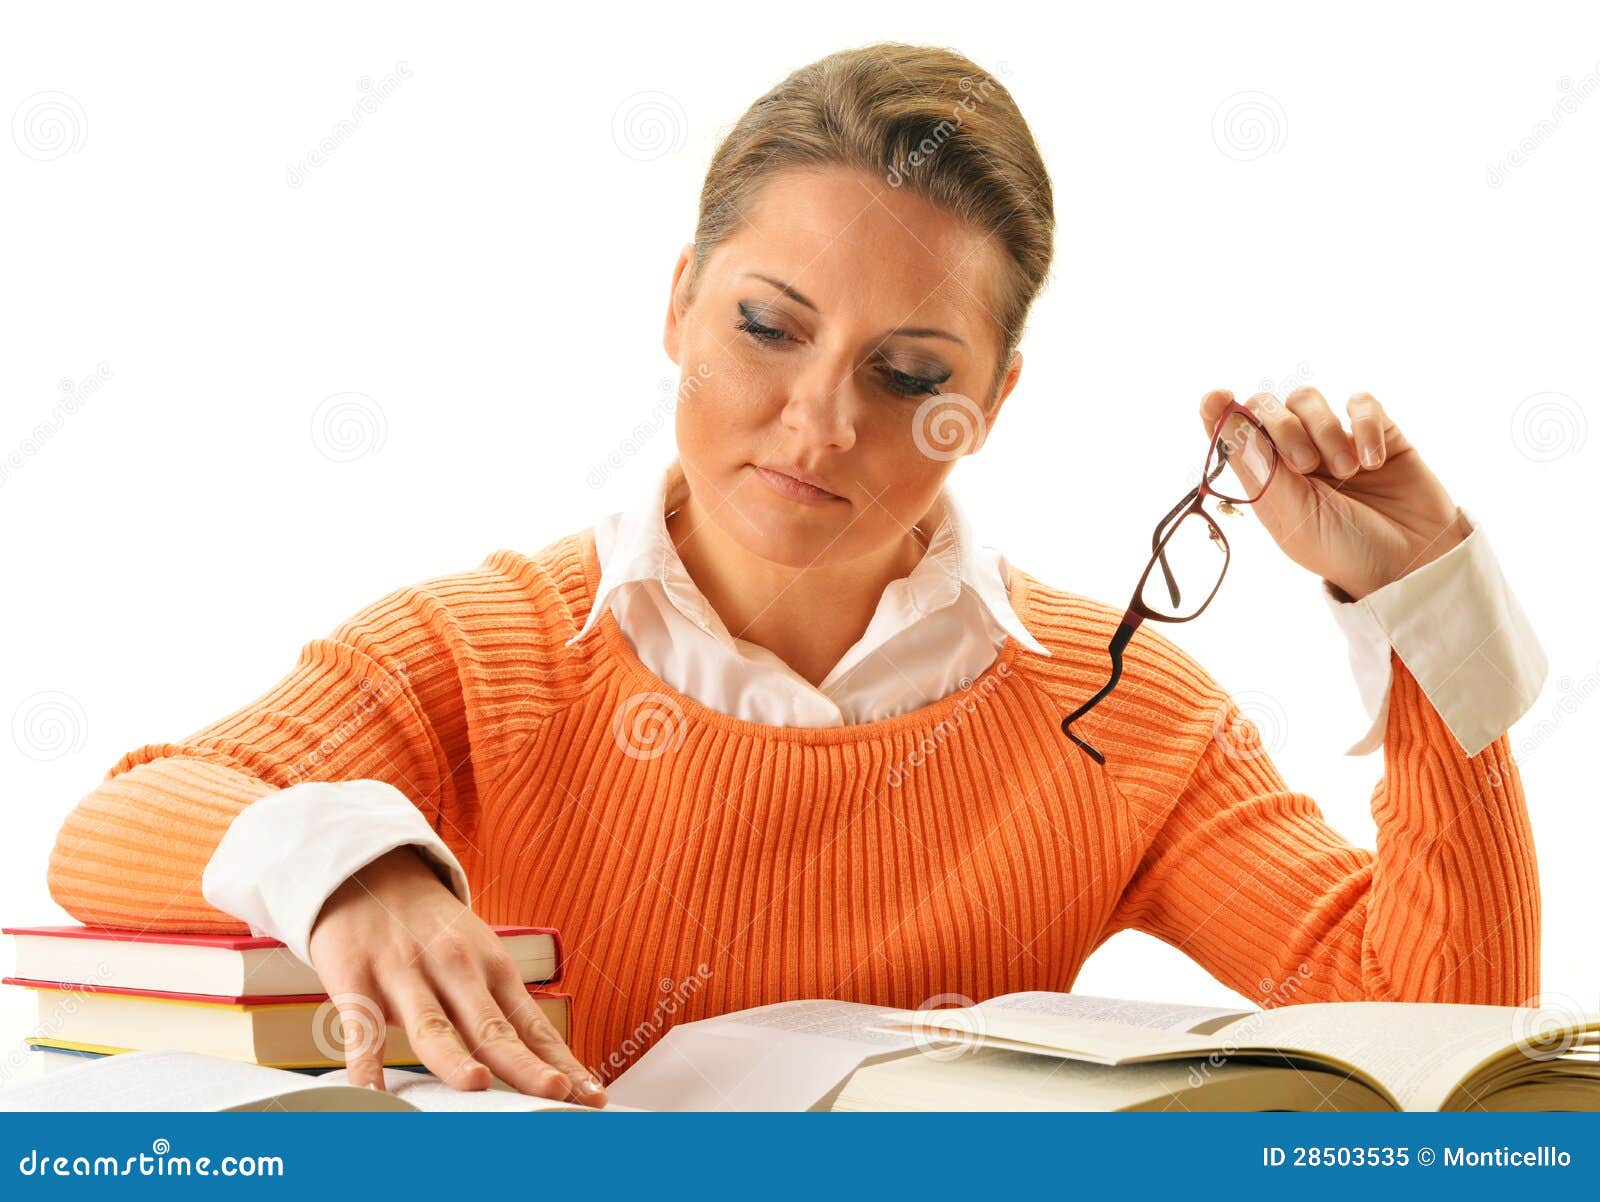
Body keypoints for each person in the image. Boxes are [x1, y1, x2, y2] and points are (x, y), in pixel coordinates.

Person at [46, 42, 1546, 1110]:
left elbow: (1444, 1032)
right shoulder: (484, 648)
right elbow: (114, 828)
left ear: (997, 400)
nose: (822, 423)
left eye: (909, 373)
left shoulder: (1118, 709)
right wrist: (352, 866)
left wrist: (1422, 608)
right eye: (770, 326)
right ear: (681, 301)